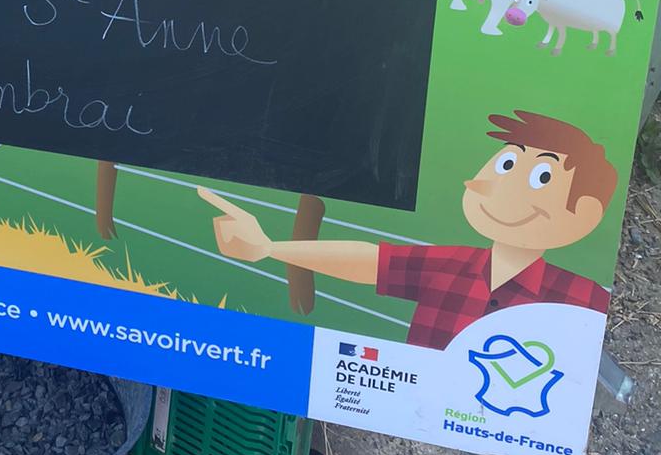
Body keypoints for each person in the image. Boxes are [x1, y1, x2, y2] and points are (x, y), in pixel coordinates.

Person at [200, 110, 615, 349]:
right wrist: (269, 247)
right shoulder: (455, 264)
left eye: (540, 177)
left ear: (585, 213)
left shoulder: (582, 301)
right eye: (505, 165)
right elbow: (372, 261)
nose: (496, 185)